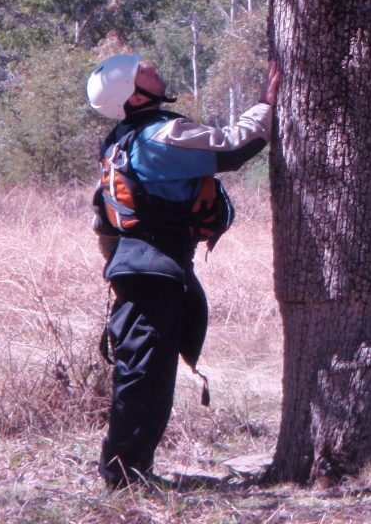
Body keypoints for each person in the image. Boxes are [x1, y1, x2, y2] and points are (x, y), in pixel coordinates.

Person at [87, 53, 280, 488]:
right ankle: (123, 477)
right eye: (142, 71)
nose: (153, 67)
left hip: (147, 268)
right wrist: (266, 104)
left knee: (149, 373)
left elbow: (104, 219)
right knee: (144, 375)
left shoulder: (121, 139)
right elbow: (233, 147)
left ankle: (129, 472)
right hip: (154, 271)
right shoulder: (157, 136)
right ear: (134, 95)